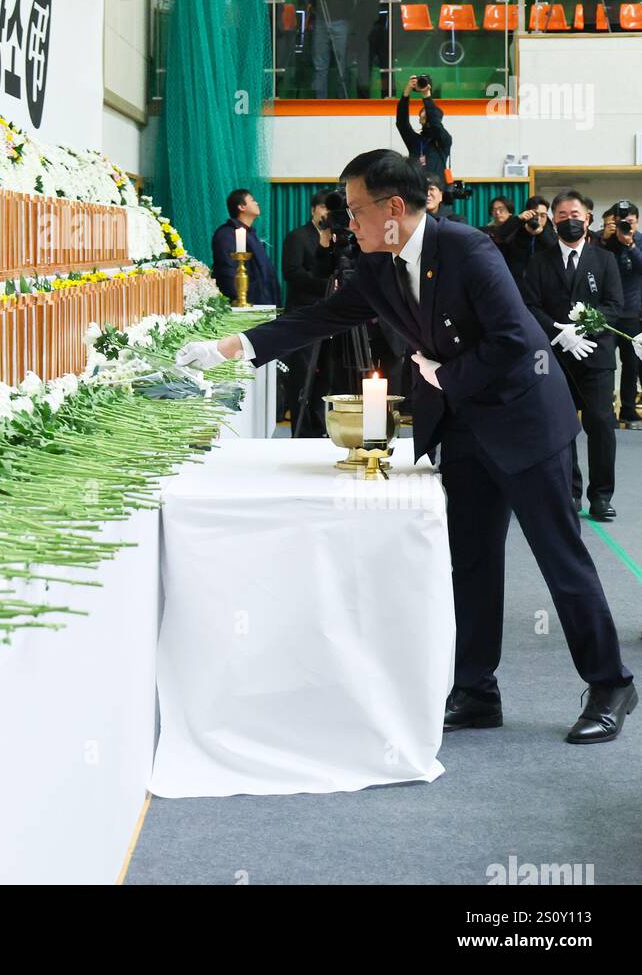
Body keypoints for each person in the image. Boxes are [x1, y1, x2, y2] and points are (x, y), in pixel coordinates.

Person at [178, 149, 636, 744]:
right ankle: (476, 689)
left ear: (395, 208)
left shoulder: (467, 249)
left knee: (559, 557)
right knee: (471, 562)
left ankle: (609, 684)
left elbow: (513, 339)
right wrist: (232, 346)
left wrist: (445, 375)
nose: (349, 221)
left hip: (524, 422)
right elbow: (323, 316)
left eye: (356, 208)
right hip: (465, 428)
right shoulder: (375, 264)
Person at [521, 190, 624, 522]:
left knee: (601, 423)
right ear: (553, 221)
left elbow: (614, 306)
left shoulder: (604, 260)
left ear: (588, 218)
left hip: (596, 356)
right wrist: (558, 331)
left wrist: (583, 328)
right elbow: (529, 306)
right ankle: (569, 493)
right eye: (562, 215)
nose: (570, 220)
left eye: (575, 214)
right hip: (554, 358)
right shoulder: (539, 261)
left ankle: (602, 496)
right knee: (560, 427)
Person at [280, 190, 331, 435]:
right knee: (302, 377)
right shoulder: (297, 236)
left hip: (331, 318)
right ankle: (301, 431)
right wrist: (327, 286)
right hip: (303, 315)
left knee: (327, 379)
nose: (327, 213)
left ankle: (321, 428)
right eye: (323, 208)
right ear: (313, 210)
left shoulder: (338, 238)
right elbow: (291, 273)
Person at [598, 202, 642, 428]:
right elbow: (591, 263)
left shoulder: (640, 240)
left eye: (630, 222)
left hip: (632, 315)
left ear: (636, 221)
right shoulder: (604, 241)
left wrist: (631, 245)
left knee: (631, 365)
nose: (626, 226)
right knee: (604, 364)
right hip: (607, 313)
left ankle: (627, 410)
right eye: (621, 222)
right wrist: (604, 239)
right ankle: (605, 411)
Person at [211, 188, 280, 306]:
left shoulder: (251, 234)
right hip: (247, 304)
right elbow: (228, 269)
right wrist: (239, 299)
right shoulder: (227, 234)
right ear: (241, 207)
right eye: (252, 200)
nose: (256, 203)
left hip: (263, 301)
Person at [396, 75, 452, 180]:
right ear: (420, 120)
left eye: (428, 113)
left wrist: (427, 96)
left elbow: (436, 126)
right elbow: (402, 123)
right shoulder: (415, 141)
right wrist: (406, 93)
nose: (425, 115)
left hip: (435, 190)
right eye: (423, 114)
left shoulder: (444, 140)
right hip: (416, 188)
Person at [494, 194, 556, 285]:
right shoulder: (517, 227)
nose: (538, 219)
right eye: (535, 215)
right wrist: (518, 219)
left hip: (543, 284)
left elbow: (556, 250)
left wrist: (541, 234)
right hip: (517, 283)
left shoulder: (550, 231)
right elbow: (498, 236)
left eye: (543, 216)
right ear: (528, 213)